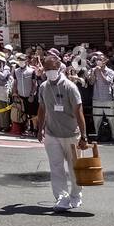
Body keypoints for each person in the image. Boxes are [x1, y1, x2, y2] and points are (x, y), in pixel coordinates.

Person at [35, 52, 88, 211]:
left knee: (74, 168)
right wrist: (40, 129)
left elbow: (79, 111)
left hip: (72, 135)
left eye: (51, 68)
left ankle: (76, 195)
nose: (48, 71)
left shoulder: (70, 87)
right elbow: (42, 108)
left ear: (59, 68)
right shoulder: (43, 87)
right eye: (46, 69)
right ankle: (62, 198)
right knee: (56, 167)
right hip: (52, 135)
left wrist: (84, 135)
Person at [87, 55, 114, 142]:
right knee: (97, 118)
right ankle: (97, 135)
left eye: (100, 59)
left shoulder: (110, 71)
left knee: (111, 118)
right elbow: (91, 82)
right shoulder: (93, 70)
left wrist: (100, 72)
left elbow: (107, 82)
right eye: (97, 60)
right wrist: (93, 73)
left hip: (108, 98)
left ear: (105, 61)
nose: (98, 61)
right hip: (96, 98)